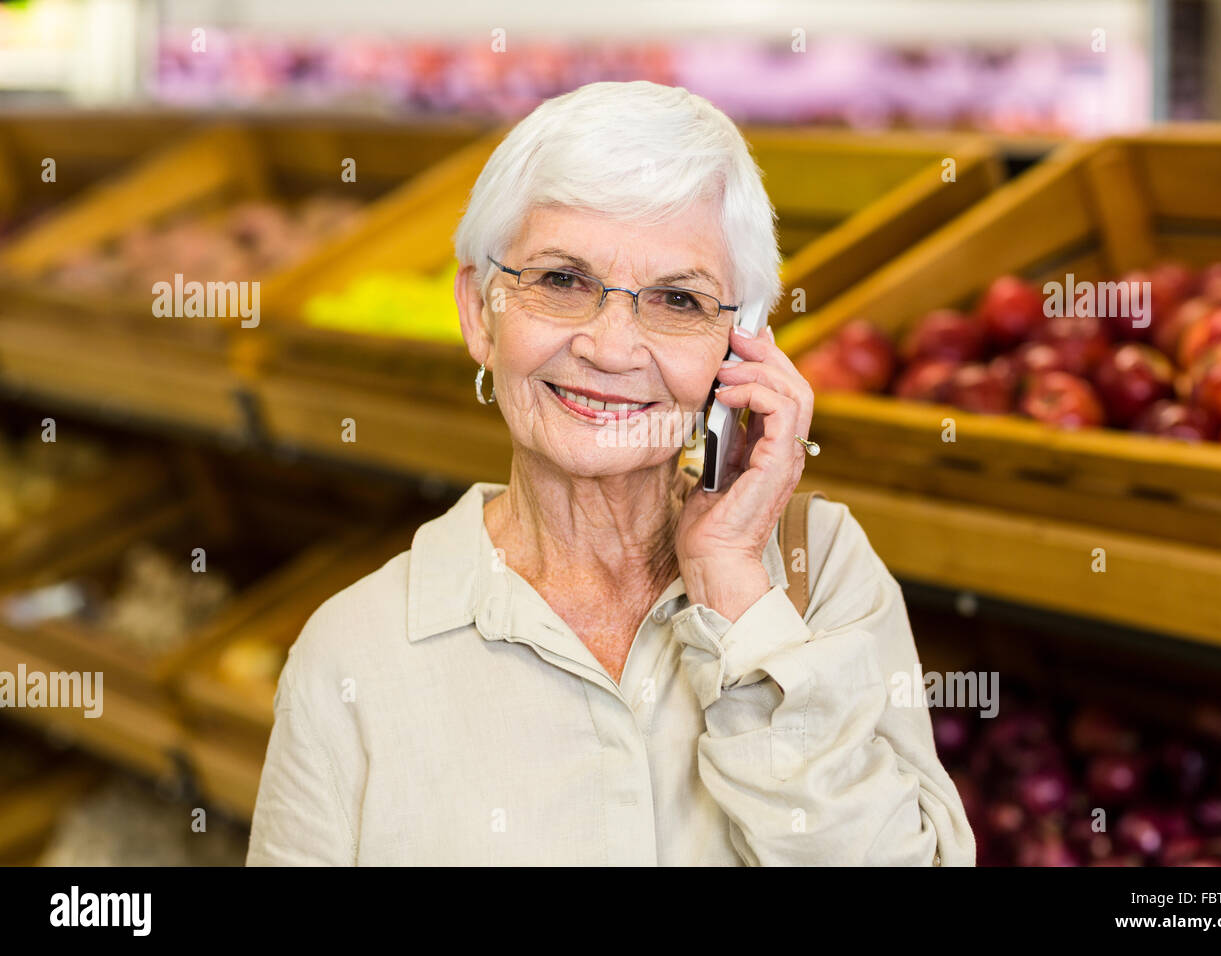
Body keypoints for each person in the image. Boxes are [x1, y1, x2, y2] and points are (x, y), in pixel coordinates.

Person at [246, 80, 976, 866]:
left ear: (740, 351)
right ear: (477, 311)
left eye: (678, 300)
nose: (612, 347)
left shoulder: (821, 572)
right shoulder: (354, 655)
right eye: (562, 281)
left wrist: (734, 589)